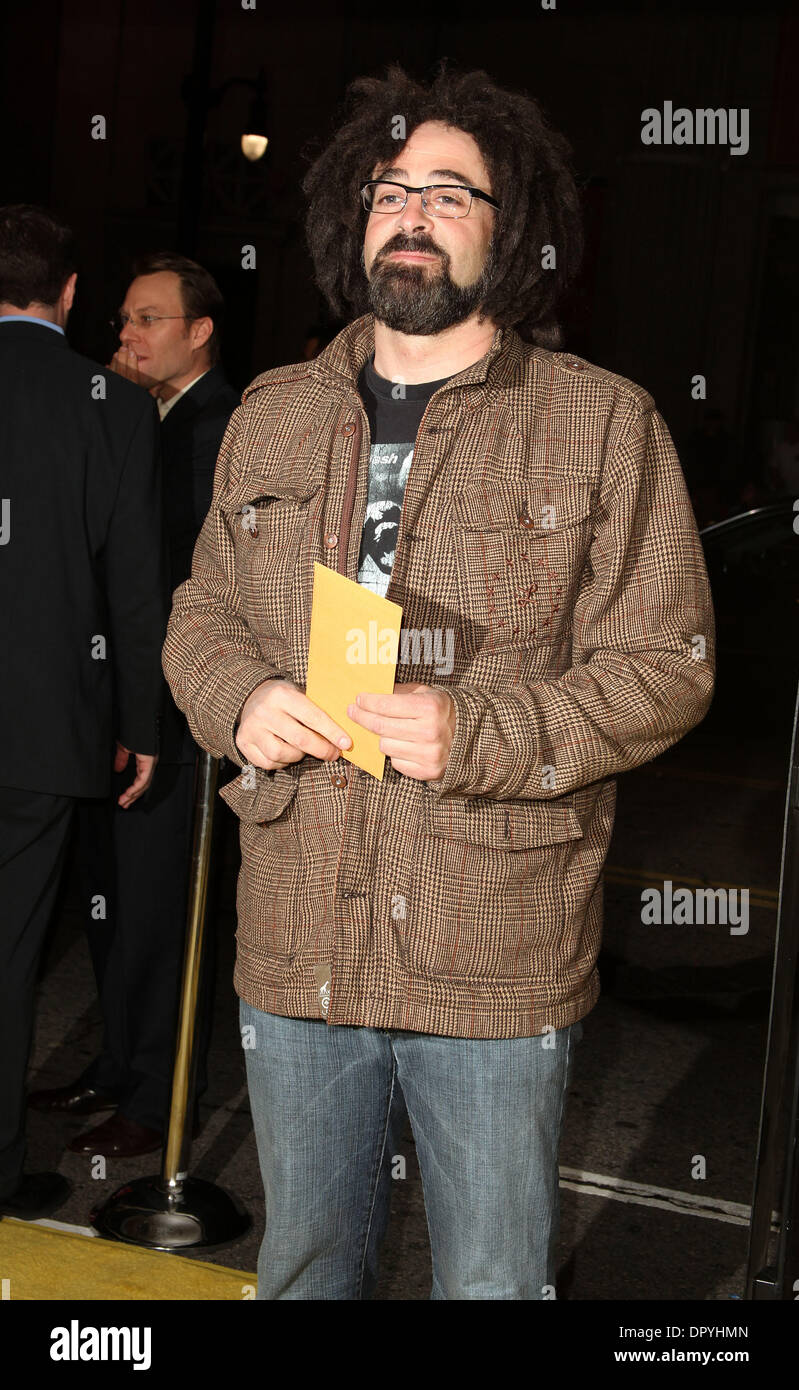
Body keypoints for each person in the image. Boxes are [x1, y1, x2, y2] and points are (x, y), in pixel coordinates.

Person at [162, 62, 716, 1299]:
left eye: (449, 195)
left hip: (494, 947)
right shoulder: (273, 411)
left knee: (488, 1284)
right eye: (386, 189)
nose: (407, 212)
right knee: (304, 1272)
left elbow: (666, 668)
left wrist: (479, 729)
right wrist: (239, 698)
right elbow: (199, 609)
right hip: (297, 929)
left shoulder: (603, 423)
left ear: (512, 233)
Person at [29, 254, 240, 1157]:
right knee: (112, 902)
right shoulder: (125, 415)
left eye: (150, 320)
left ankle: (157, 1097)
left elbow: (172, 574)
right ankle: (116, 1066)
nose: (128, 335)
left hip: (179, 712)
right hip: (117, 708)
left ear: (200, 332)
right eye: (122, 319)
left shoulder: (220, 427)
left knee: (163, 914)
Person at [0, 205, 168, 1219]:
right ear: (70, 295)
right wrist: (141, 720)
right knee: (10, 952)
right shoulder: (109, 402)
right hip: (41, 726)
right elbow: (135, 582)